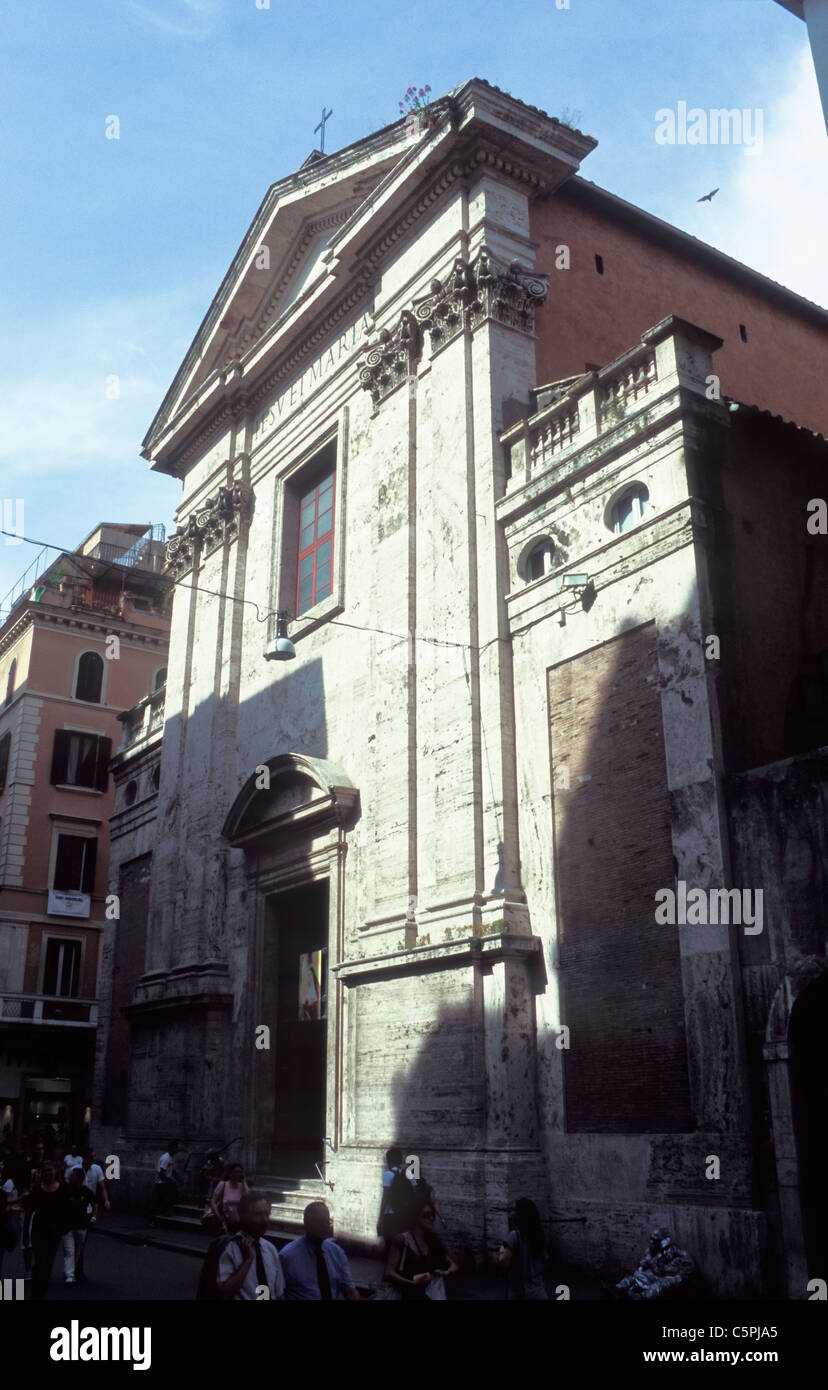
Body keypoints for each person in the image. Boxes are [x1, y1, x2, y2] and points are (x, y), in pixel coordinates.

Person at [280, 1202, 360, 1300]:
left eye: (327, 1222)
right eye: (319, 1222)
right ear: (306, 1223)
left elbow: (350, 1290)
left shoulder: (336, 1252)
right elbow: (278, 1293)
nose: (325, 1226)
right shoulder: (288, 1256)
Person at [213, 1192, 285, 1300]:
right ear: (243, 1216)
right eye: (258, 1214)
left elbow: (278, 1293)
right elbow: (225, 1291)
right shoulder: (230, 1248)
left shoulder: (271, 1249)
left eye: (267, 1214)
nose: (264, 1220)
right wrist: (247, 1261)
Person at [383, 1196, 457, 1300]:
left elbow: (453, 1265)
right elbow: (388, 1273)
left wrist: (445, 1272)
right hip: (405, 1295)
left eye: (432, 1215)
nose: (431, 1218)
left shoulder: (432, 1242)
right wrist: (412, 1283)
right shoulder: (402, 1240)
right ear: (415, 1217)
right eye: (426, 1215)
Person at [614, 1228, 697, 1301]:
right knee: (636, 1277)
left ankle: (640, 1297)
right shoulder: (657, 1253)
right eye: (663, 1249)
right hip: (658, 1277)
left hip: (671, 1280)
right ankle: (618, 1289)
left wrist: (672, 1278)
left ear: (672, 1246)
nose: (665, 1252)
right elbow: (647, 1264)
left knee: (660, 1285)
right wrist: (642, 1271)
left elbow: (684, 1277)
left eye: (667, 1248)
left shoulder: (683, 1257)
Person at [29, 1160, 70, 1299]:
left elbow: (67, 1211)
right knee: (40, 1261)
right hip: (39, 1230)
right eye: (45, 1170)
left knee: (47, 1264)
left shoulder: (63, 1188)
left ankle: (41, 1289)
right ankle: (36, 1293)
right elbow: (30, 1210)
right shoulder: (37, 1189)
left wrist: (62, 1228)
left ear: (55, 1171)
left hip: (53, 1232)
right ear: (42, 1173)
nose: (48, 1173)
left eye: (50, 1170)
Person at [498, 1198, 548, 1300]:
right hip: (539, 1292)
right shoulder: (539, 1236)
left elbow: (504, 1261)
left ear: (521, 1214)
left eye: (515, 1210)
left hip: (519, 1293)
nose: (511, 1213)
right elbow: (544, 1262)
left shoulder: (514, 1236)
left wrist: (502, 1249)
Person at [62, 1166, 97, 1284]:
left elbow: (95, 1203)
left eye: (72, 1175)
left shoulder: (86, 1191)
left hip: (81, 1225)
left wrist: (93, 1217)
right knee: (69, 1251)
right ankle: (69, 1276)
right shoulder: (66, 1190)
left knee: (77, 1252)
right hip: (67, 1226)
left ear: (78, 1178)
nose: (69, 1177)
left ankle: (70, 1272)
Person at [210, 1162, 249, 1232]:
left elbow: (248, 1197)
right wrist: (217, 1215)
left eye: (240, 1172)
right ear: (230, 1173)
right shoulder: (223, 1185)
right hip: (225, 1221)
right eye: (236, 1172)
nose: (238, 1174)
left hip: (239, 1222)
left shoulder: (242, 1186)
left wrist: (244, 1181)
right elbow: (213, 1201)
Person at [152, 1140, 180, 1221]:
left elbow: (170, 1170)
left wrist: (175, 1178)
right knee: (160, 1200)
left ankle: (165, 1213)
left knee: (169, 1197)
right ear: (171, 1148)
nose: (177, 1150)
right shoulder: (166, 1158)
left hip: (166, 1182)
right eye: (176, 1148)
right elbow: (161, 1173)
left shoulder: (171, 1157)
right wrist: (169, 1181)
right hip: (161, 1183)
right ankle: (154, 1218)